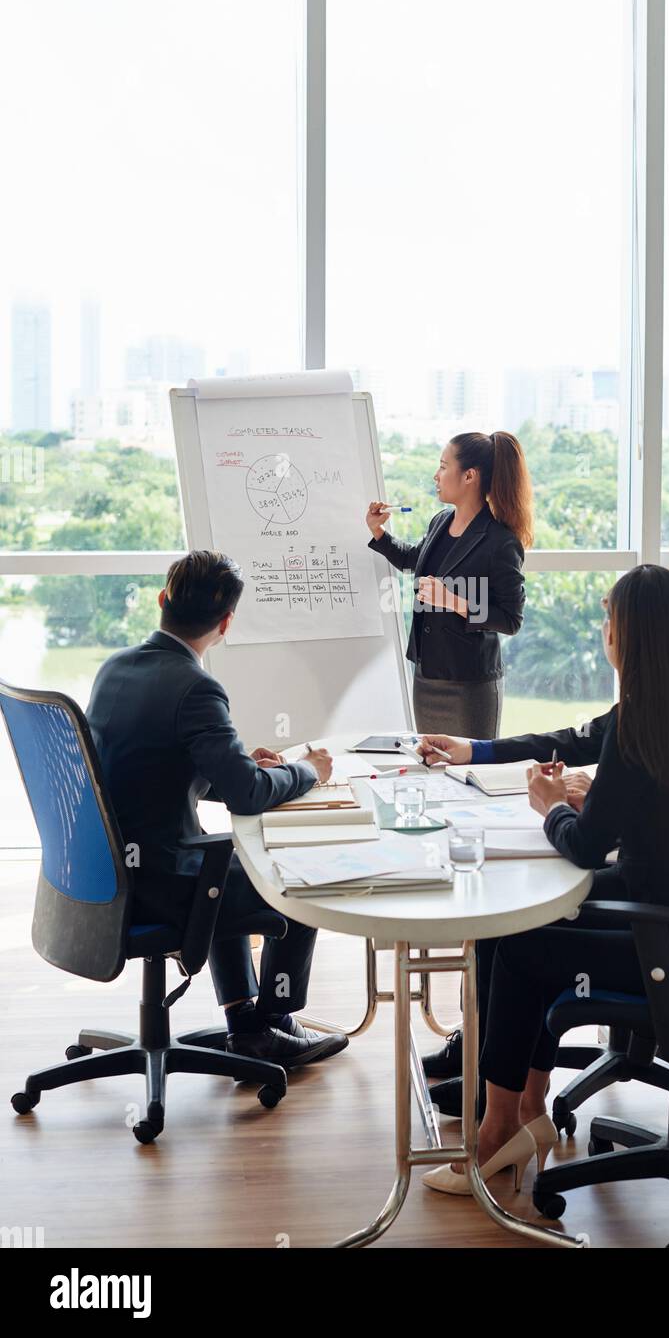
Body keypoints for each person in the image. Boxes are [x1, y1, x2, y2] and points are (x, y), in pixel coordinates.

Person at [420, 564, 669, 1193]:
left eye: (609, 620)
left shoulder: (646, 720)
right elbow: (586, 746)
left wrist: (550, 806)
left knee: (521, 941)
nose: (604, 632)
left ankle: (496, 1138)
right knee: (508, 929)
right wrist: (478, 750)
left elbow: (584, 848)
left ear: (627, 637)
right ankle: (526, 1112)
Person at [86, 549, 348, 1070]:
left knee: (224, 863)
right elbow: (247, 795)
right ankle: (272, 1020)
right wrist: (309, 771)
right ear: (226, 623)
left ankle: (245, 1022)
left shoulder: (115, 668)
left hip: (102, 874)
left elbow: (150, 766)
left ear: (163, 601)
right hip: (161, 883)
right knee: (295, 875)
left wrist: (234, 766)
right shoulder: (197, 687)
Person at [365, 430, 533, 739]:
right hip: (427, 676)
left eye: (443, 466)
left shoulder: (500, 541)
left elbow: (511, 619)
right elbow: (413, 560)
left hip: (470, 685)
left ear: (469, 476)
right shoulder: (440, 521)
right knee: (431, 768)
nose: (435, 475)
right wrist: (379, 534)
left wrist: (455, 601)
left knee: (469, 775)